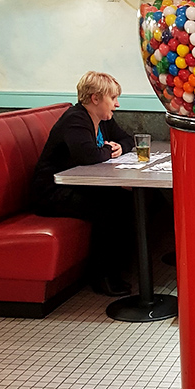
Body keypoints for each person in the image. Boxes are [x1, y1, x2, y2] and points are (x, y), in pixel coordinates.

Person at [31, 71, 135, 296]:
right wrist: (109, 150)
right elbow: (87, 155)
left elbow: (127, 139)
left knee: (129, 199)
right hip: (51, 192)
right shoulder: (76, 118)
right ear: (95, 98)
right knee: (107, 210)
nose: (117, 104)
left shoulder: (103, 119)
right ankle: (101, 277)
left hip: (76, 186)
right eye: (113, 98)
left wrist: (119, 148)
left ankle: (122, 268)